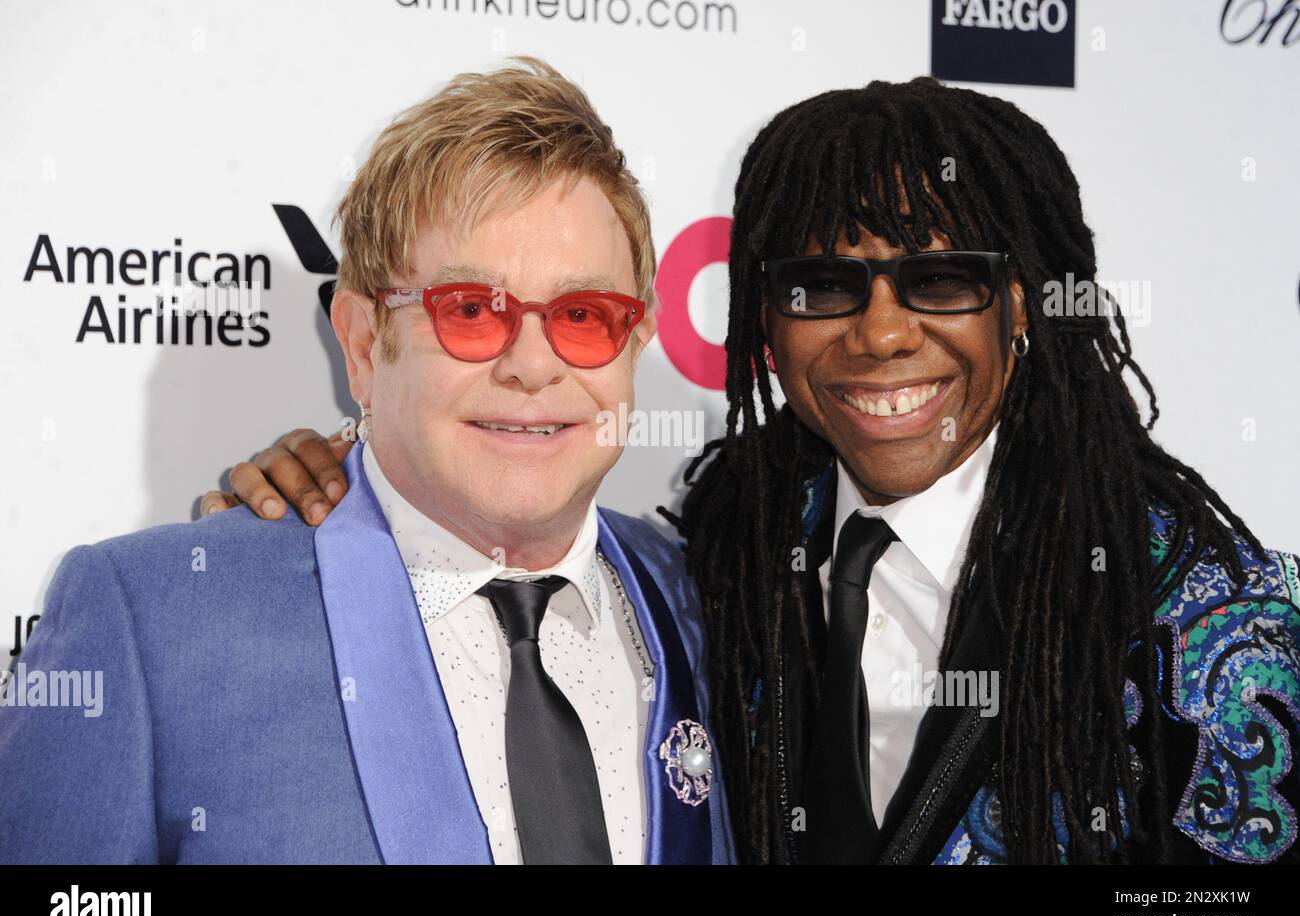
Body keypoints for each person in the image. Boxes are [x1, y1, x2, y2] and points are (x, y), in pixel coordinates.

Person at [205, 78, 1300, 865]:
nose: (880, 335)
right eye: (823, 287)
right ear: (761, 331)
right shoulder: (722, 543)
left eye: (941, 281)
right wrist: (342, 471)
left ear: (1021, 309)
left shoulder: (1212, 615)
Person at [0, 58, 733, 865]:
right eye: (469, 311)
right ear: (359, 344)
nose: (533, 364)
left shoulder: (712, 600)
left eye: (584, 314)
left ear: (636, 343)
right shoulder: (153, 623)